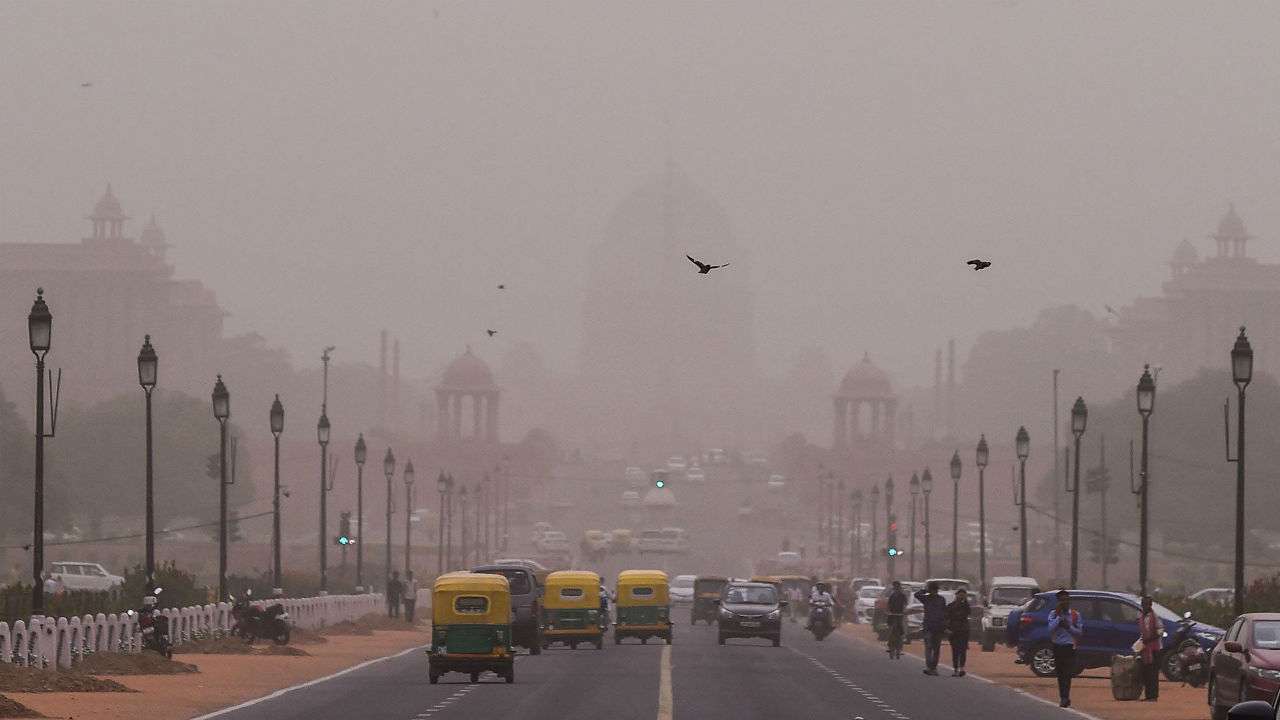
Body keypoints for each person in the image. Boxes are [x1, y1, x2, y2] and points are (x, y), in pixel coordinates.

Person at [1047, 589, 1084, 708]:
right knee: (1060, 673)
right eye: (1062, 600)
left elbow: (1079, 633)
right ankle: (1063, 696)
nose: (1065, 602)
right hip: (1057, 646)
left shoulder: (1075, 615)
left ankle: (1065, 697)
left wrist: (1069, 627)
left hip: (1069, 647)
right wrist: (1058, 619)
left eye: (1067, 600)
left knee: (1067, 673)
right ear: (1058, 601)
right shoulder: (1053, 614)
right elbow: (1050, 629)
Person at [914, 581, 947, 675]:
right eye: (932, 590)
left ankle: (933, 668)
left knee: (935, 649)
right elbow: (916, 595)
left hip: (937, 626)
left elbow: (944, 613)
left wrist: (944, 625)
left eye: (934, 590)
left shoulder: (941, 599)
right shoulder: (926, 598)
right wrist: (925, 590)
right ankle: (930, 667)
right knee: (929, 647)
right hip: (928, 626)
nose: (934, 591)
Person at [1137, 595, 1162, 701]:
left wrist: (1149, 639)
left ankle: (1153, 696)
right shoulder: (1141, 616)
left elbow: (1160, 631)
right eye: (1143, 604)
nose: (1145, 606)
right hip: (1145, 649)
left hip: (1154, 649)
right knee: (1146, 673)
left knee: (1153, 674)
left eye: (1147, 604)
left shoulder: (1155, 617)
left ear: (1150, 605)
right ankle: (1148, 696)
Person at [945, 588, 972, 676]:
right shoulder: (950, 606)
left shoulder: (965, 606)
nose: (961, 596)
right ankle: (956, 669)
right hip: (953, 631)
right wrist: (947, 629)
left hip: (963, 631)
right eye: (960, 595)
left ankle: (961, 668)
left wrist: (965, 601)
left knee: (963, 650)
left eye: (963, 595)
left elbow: (968, 612)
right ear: (956, 595)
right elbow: (946, 618)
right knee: (955, 651)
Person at [886, 581, 908, 658]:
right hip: (892, 616)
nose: (896, 589)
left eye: (897, 587)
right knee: (891, 631)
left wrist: (904, 612)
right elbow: (888, 605)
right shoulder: (892, 596)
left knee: (901, 632)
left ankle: (899, 648)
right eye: (895, 587)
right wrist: (888, 612)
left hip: (900, 616)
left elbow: (905, 605)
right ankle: (890, 646)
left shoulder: (903, 596)